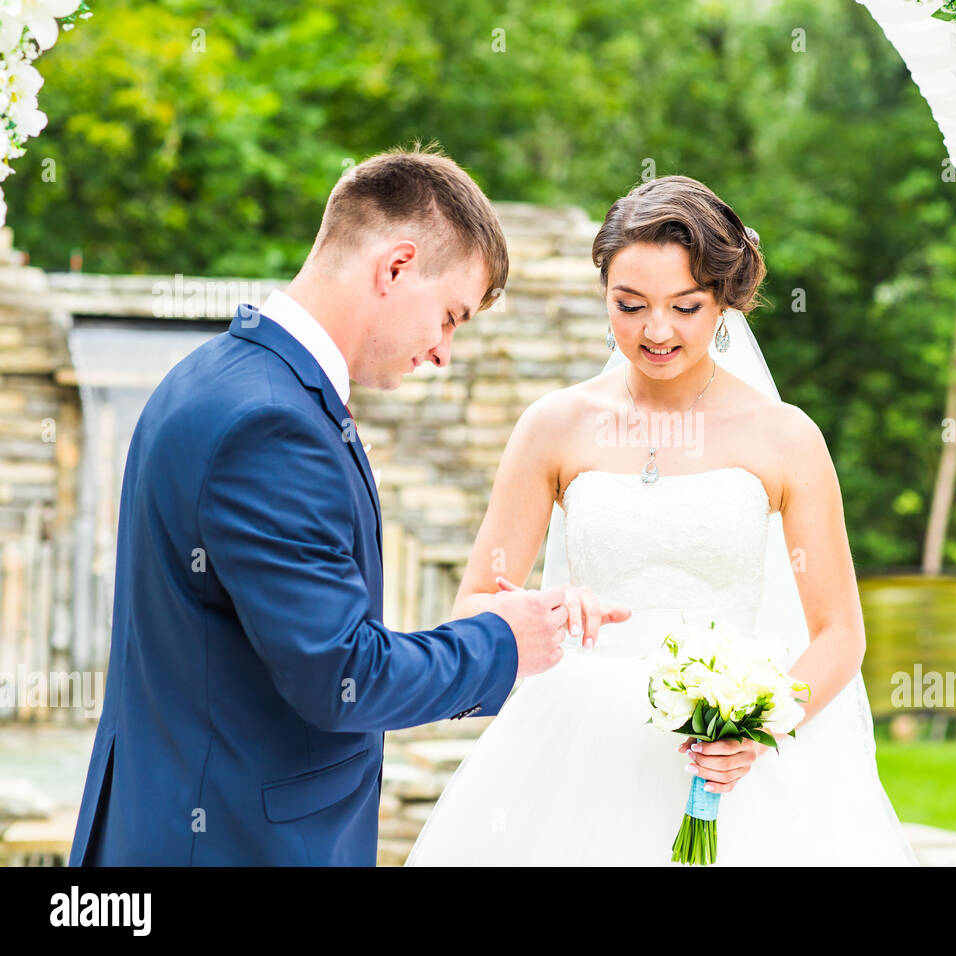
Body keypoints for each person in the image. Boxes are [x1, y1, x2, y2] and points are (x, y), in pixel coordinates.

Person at [67, 143, 627, 866]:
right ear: (395, 267)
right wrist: (503, 644)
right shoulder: (271, 425)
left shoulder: (214, 374)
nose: (442, 352)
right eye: (451, 316)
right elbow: (341, 676)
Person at [406, 175, 920, 865]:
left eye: (684, 306)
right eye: (629, 304)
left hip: (730, 766)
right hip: (575, 752)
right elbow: (474, 600)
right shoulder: (553, 426)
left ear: (724, 303)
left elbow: (840, 634)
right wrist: (546, 609)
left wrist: (759, 730)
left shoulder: (786, 437)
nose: (655, 330)